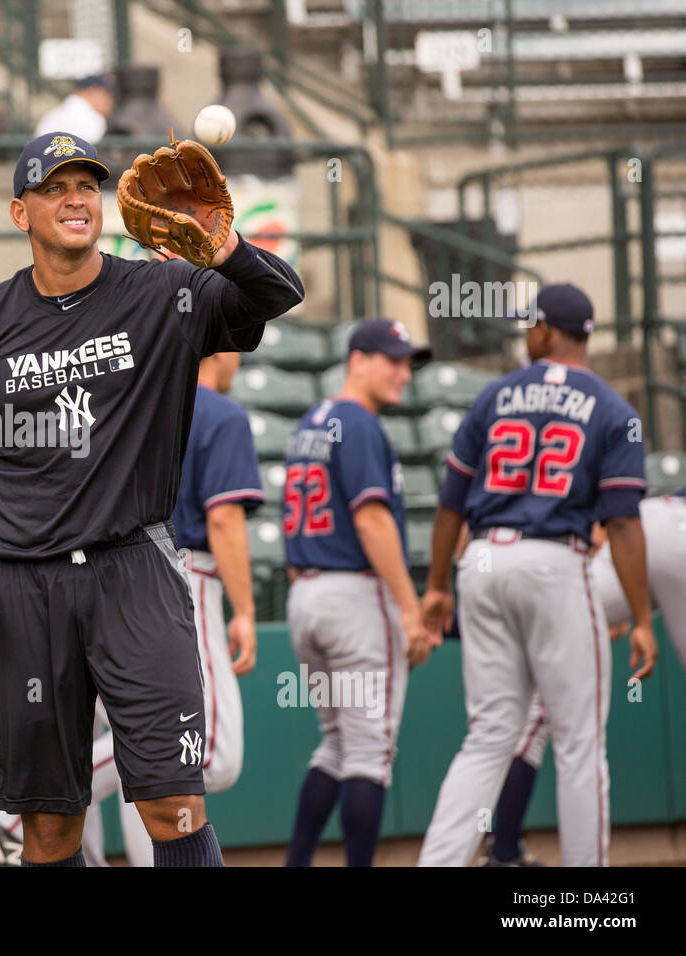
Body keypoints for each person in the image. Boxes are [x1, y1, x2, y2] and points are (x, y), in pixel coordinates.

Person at [0, 131, 303, 867]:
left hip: (135, 572)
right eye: (54, 186)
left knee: (175, 802)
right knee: (49, 828)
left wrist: (223, 246)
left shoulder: (165, 292)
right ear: (19, 211)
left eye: (86, 184)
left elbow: (280, 293)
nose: (75, 197)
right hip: (22, 588)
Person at [0, 349, 263, 866]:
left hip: (100, 576)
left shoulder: (127, 396)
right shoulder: (218, 410)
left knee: (139, 760)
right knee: (203, 754)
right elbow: (223, 520)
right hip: (175, 575)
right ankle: (12, 817)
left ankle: (33, 817)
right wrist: (245, 609)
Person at [418, 282, 658, 868]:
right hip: (555, 560)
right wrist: (643, 616)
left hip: (482, 561)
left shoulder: (493, 396)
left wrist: (437, 587)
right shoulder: (613, 408)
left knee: (489, 735)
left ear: (549, 330)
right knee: (579, 743)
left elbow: (450, 503)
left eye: (531, 324)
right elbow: (622, 523)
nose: (525, 333)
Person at [281, 318, 436, 868]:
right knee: (369, 754)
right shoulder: (360, 424)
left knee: (339, 745)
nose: (402, 373)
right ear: (358, 360)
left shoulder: (310, 422)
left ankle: (297, 863)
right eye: (392, 360)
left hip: (307, 598)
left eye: (406, 363)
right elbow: (371, 521)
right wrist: (411, 611)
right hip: (355, 599)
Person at [481, 485, 686, 866]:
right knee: (559, 722)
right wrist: (638, 610)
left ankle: (503, 849)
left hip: (644, 522)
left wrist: (626, 603)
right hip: (664, 534)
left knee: (537, 709)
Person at [34, 74, 115, 144]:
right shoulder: (92, 118)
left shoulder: (54, 114)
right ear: (94, 91)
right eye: (107, 95)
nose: (110, 102)